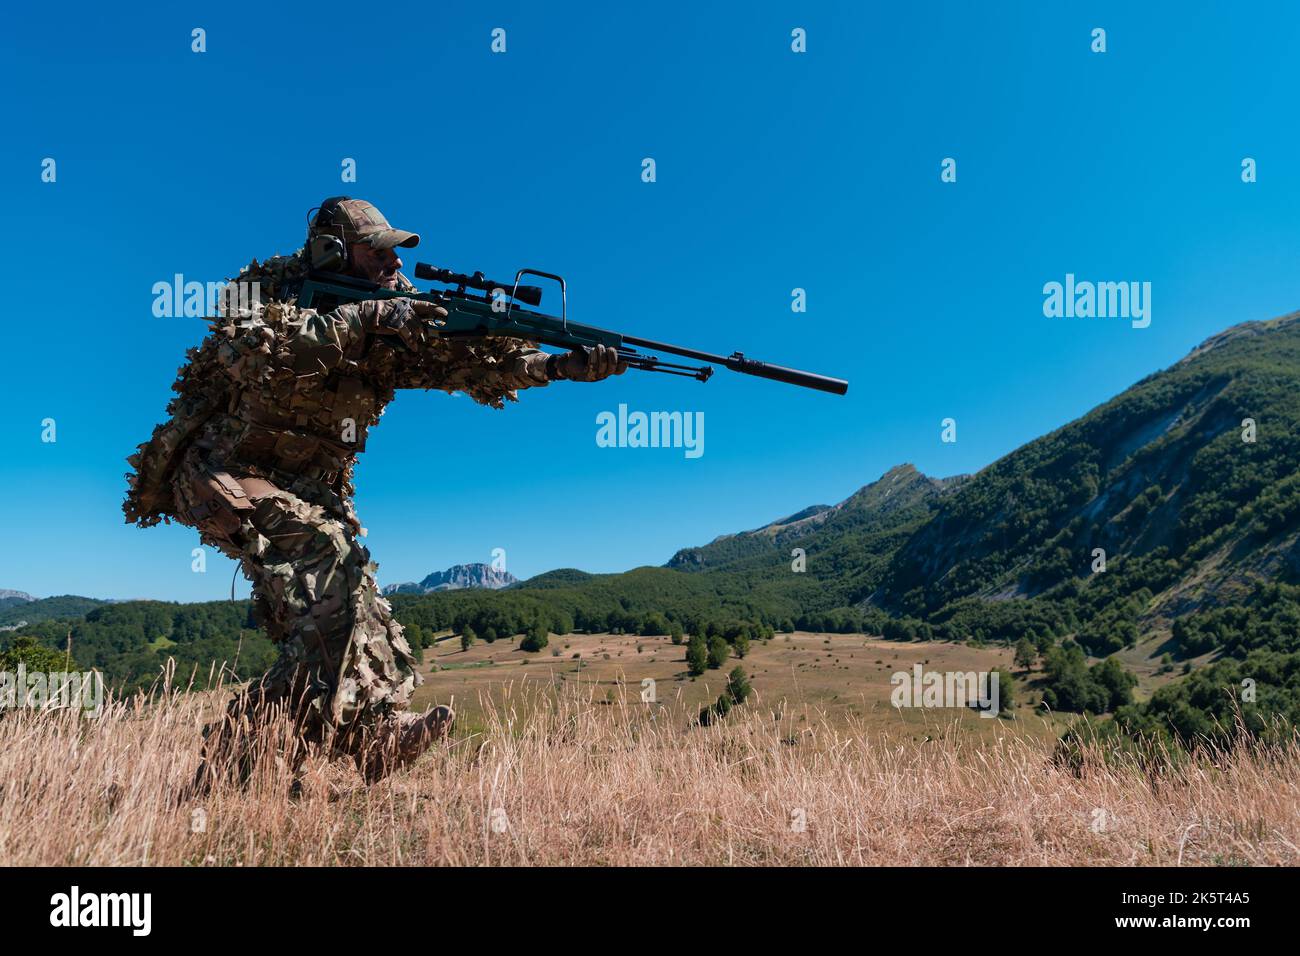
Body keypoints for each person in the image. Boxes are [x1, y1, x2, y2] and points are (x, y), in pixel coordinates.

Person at [124, 197, 625, 789]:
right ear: (333, 251)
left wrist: (553, 367)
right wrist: (363, 321)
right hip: (224, 471)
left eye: (394, 250)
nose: (392, 261)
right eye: (378, 248)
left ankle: (338, 743)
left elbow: (466, 362)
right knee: (328, 561)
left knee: (351, 605)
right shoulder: (259, 290)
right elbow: (260, 356)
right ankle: (268, 757)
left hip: (312, 486)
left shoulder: (397, 310)